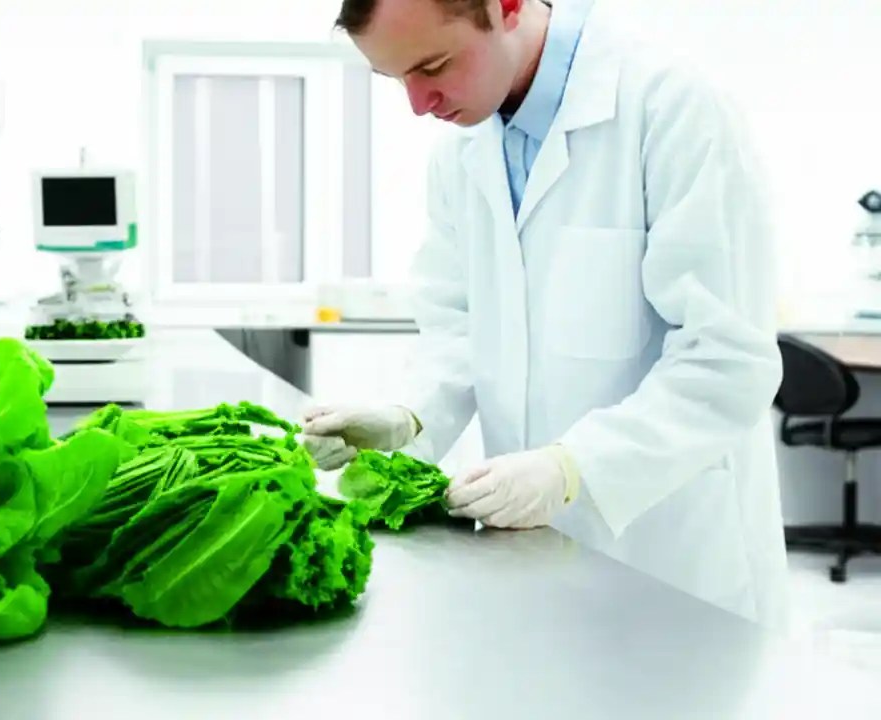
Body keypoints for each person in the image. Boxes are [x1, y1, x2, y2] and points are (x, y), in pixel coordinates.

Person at [302, 0, 790, 630]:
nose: (420, 104)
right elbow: (459, 329)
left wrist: (574, 468)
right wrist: (410, 414)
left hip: (673, 558)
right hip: (539, 553)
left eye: (433, 66)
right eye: (397, 79)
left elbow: (727, 361)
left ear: (506, 7)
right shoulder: (462, 153)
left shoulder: (673, 108)